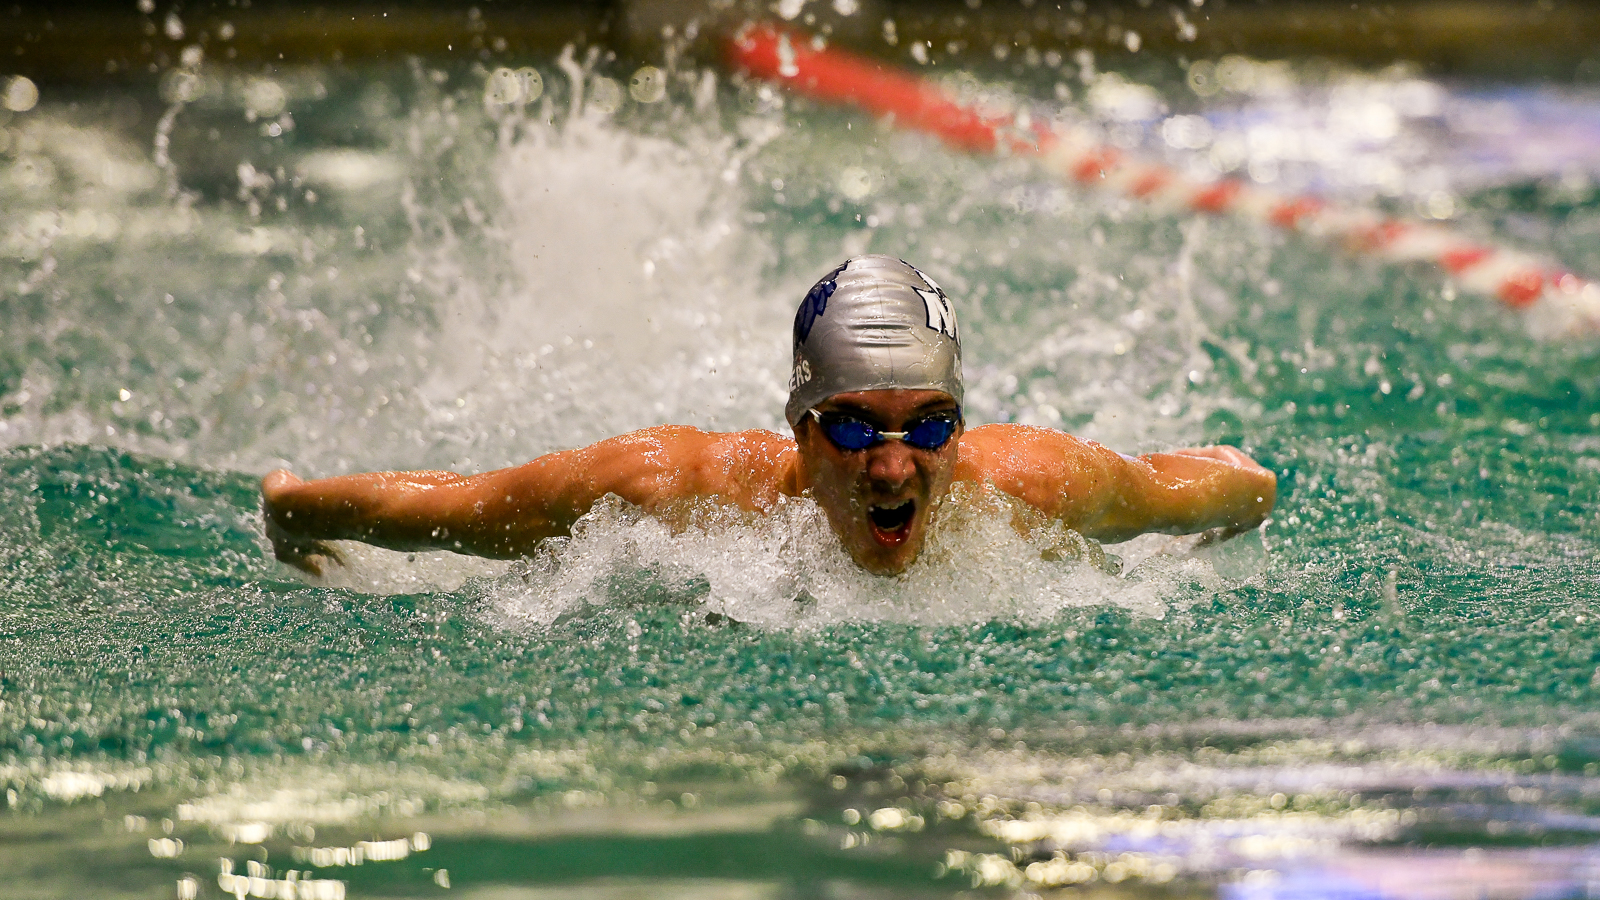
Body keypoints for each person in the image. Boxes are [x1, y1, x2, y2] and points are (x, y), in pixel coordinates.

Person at [263, 255, 1275, 577]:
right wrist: (299, 508)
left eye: (926, 427)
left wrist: (1241, 498)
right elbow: (458, 503)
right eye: (849, 426)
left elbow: (1218, 483)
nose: (890, 471)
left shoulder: (1033, 486)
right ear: (796, 426)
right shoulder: (670, 490)